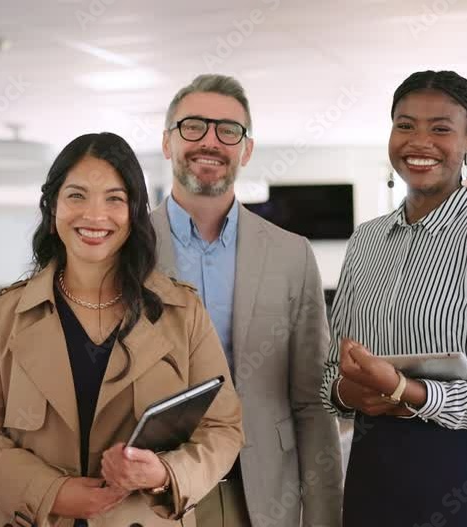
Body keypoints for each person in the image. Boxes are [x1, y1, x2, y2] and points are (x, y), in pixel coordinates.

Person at [0, 132, 244, 527]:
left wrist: (164, 473)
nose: (94, 215)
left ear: (134, 213)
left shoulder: (182, 312)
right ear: (52, 208)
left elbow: (223, 428)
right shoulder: (6, 314)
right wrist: (50, 492)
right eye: (76, 196)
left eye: (114, 199)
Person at [320, 70, 467, 526]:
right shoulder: (366, 240)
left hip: (465, 475)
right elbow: (330, 371)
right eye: (405, 124)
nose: (420, 141)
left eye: (440, 128)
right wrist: (344, 389)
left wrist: (406, 391)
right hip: (374, 475)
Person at [153, 74, 343, 527]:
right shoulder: (127, 248)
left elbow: (311, 402)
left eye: (228, 131)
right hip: (153, 493)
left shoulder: (290, 254)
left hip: (260, 496)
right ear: (167, 143)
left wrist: (324, 517)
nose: (210, 142)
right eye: (193, 127)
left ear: (246, 149)